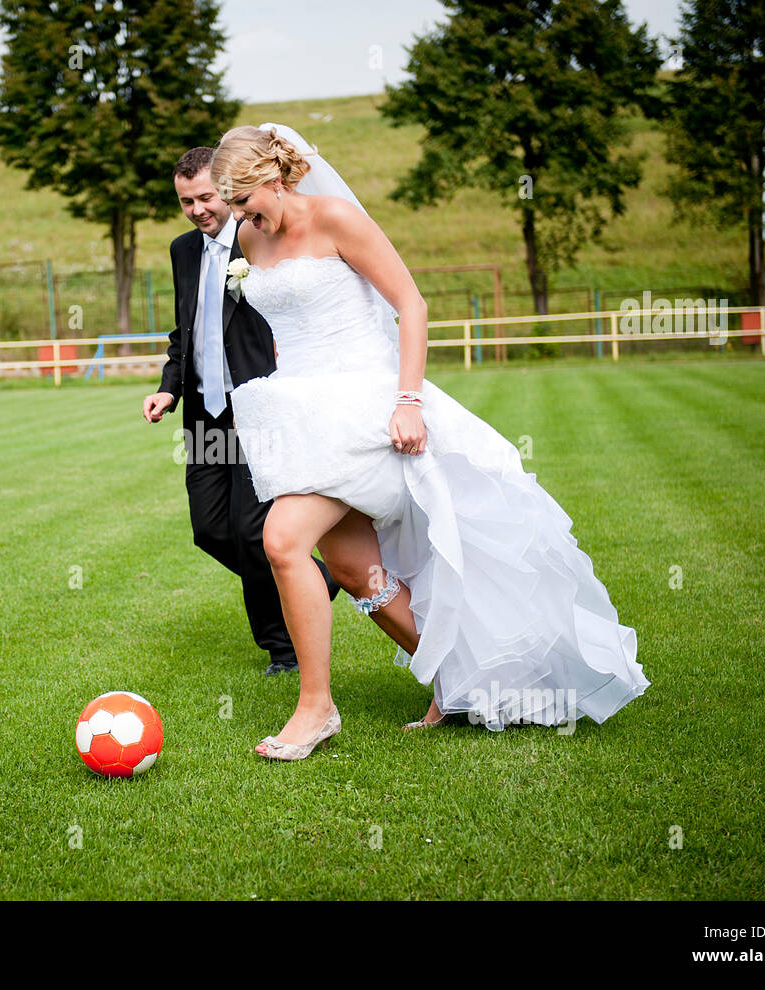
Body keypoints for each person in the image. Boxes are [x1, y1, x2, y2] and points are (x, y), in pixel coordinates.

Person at [210, 124, 650, 760]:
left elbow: (410, 305)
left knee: (282, 540)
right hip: (299, 412)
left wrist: (408, 401)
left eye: (248, 202)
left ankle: (316, 708)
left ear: (275, 179)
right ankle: (473, 684)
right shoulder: (249, 237)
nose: (243, 219)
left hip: (368, 407)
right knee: (355, 571)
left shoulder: (336, 218)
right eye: (236, 209)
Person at [143, 147, 339, 676]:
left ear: (226, 190)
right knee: (210, 530)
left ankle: (283, 648)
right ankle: (318, 580)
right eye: (186, 201)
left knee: (253, 531)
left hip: (258, 409)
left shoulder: (261, 241)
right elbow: (186, 330)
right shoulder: (183, 251)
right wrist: (169, 388)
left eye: (206, 197)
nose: (198, 209)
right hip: (206, 416)